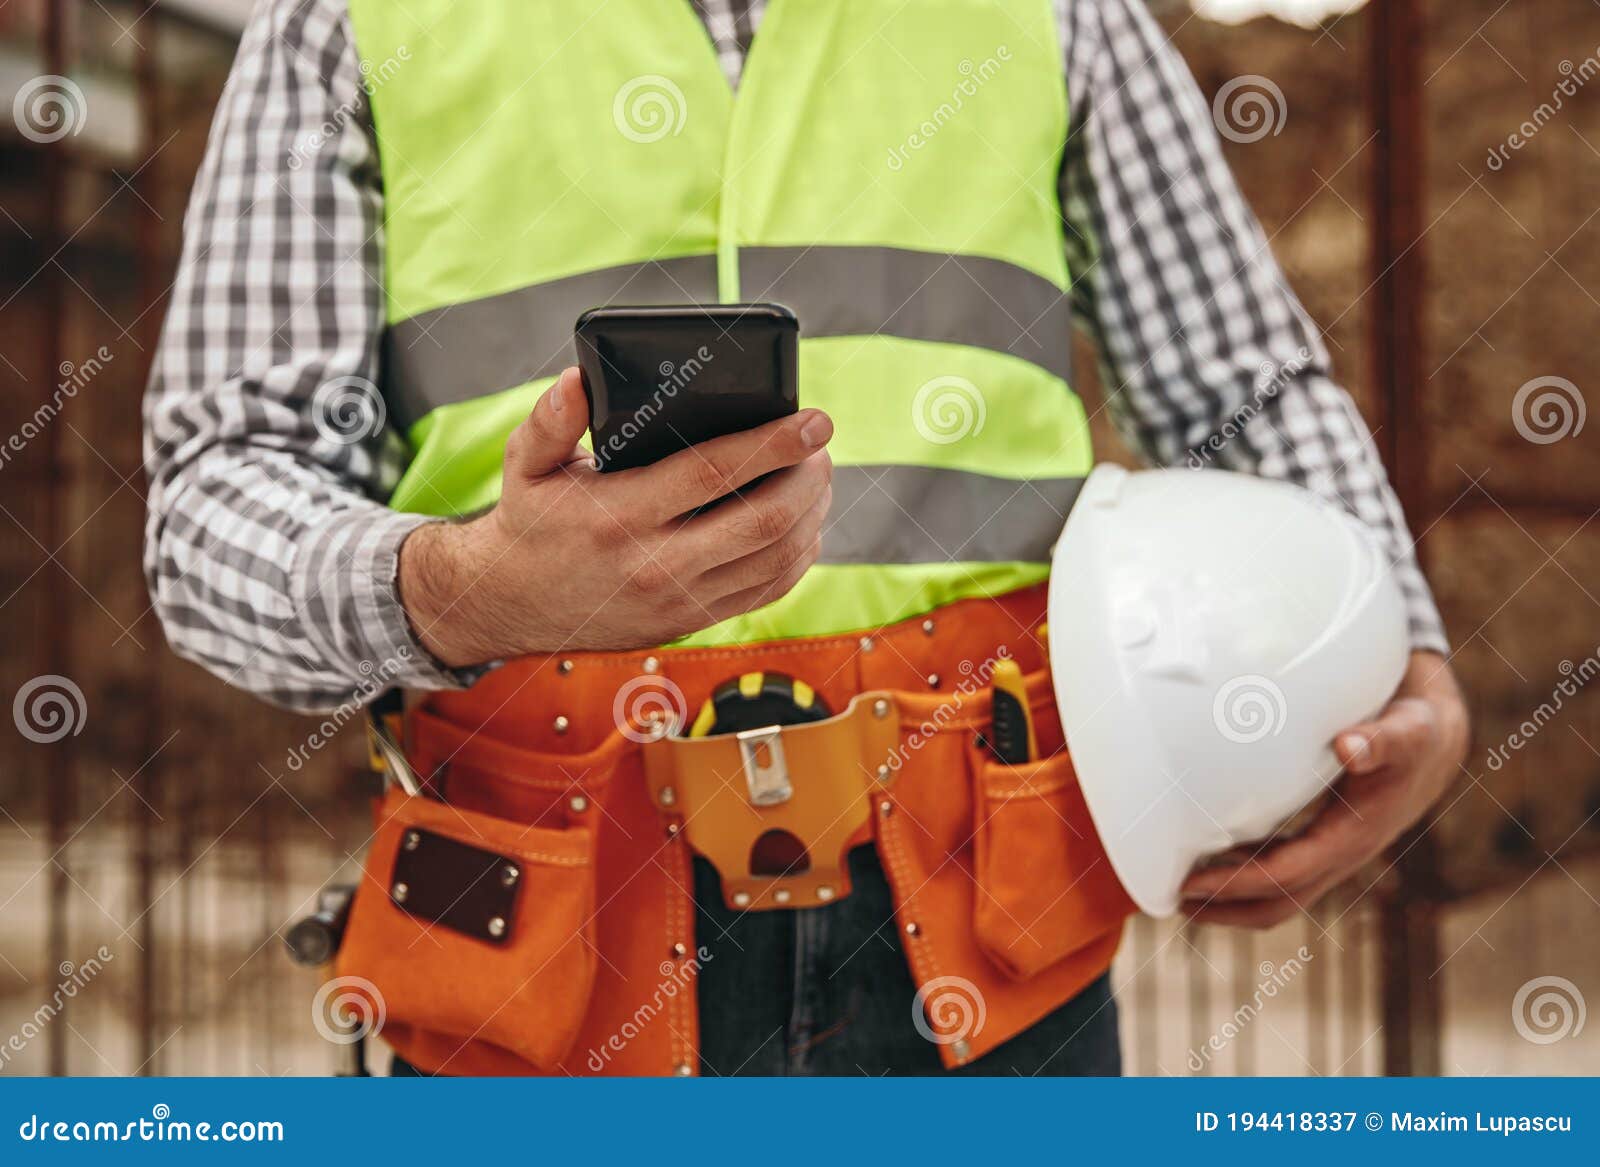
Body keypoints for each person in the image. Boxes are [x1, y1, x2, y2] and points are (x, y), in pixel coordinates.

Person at [144, 0, 1468, 1076]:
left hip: (993, 951)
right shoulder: (342, 17)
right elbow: (211, 505)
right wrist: (465, 592)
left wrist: (1399, 659)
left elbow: (1239, 388)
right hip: (545, 956)